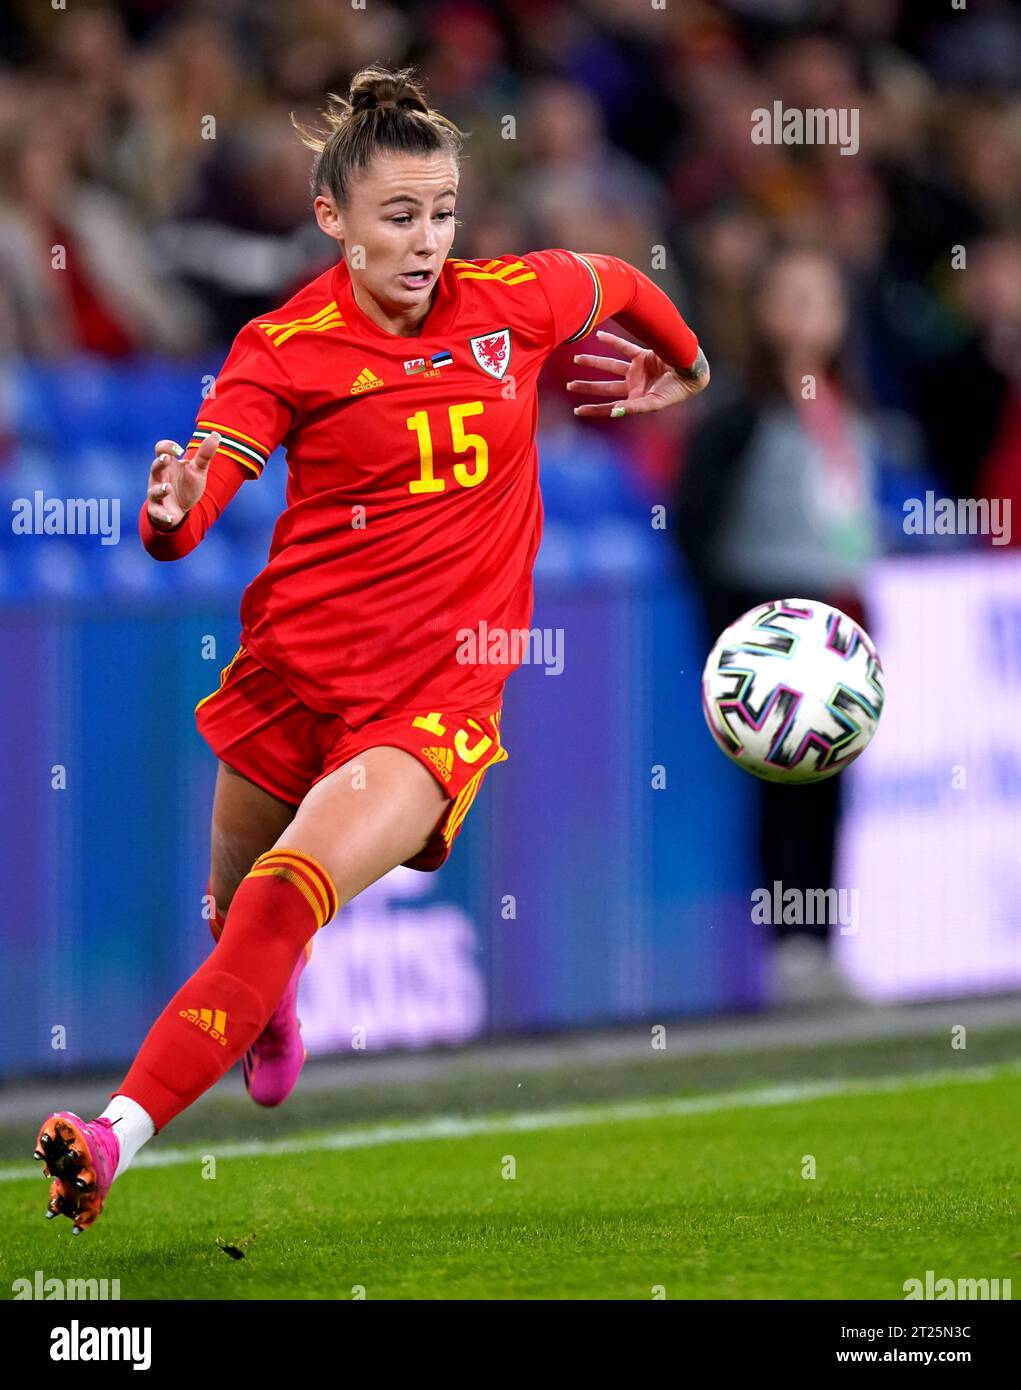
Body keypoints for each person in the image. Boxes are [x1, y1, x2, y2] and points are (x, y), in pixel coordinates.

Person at [34, 64, 709, 1232]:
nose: (428, 240)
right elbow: (191, 512)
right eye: (399, 216)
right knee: (236, 914)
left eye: (442, 212)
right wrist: (166, 510)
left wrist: (686, 365)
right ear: (332, 218)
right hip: (292, 671)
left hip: (433, 695)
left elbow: (616, 282)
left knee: (285, 895)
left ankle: (110, 1134)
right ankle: (270, 1002)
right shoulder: (282, 346)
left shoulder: (514, 302)